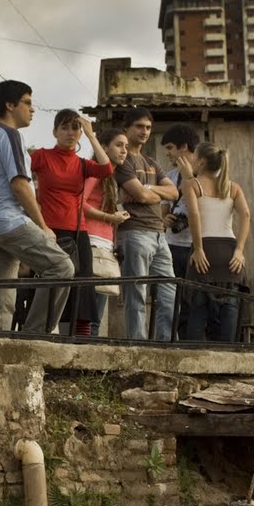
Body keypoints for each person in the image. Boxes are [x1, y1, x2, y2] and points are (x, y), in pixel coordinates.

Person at [0, 80, 74, 333]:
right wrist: (43, 227)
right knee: (61, 266)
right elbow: (20, 184)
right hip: (9, 220)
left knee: (0, 295)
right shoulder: (10, 135)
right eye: (27, 103)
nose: (32, 109)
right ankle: (34, 339)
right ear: (10, 105)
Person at [30, 110, 114, 336]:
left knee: (82, 291)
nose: (70, 133)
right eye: (65, 128)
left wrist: (90, 134)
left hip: (78, 233)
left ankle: (79, 344)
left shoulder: (82, 164)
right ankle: (42, 335)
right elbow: (21, 178)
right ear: (55, 131)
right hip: (49, 230)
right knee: (50, 288)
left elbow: (107, 168)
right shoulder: (42, 156)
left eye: (74, 128)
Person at [114, 108, 180, 342]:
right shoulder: (123, 161)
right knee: (137, 292)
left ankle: (166, 343)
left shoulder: (152, 163)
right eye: (139, 126)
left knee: (169, 290)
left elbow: (173, 192)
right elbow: (139, 197)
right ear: (127, 129)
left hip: (159, 234)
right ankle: (138, 345)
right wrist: (148, 193)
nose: (144, 132)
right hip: (134, 231)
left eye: (148, 127)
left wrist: (149, 189)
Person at [185, 142, 251, 342]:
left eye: (194, 157)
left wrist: (197, 248)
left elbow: (194, 215)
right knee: (229, 308)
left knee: (198, 308)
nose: (192, 161)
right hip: (229, 253)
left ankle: (193, 357)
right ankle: (228, 354)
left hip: (205, 249)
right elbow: (246, 215)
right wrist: (240, 250)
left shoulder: (191, 184)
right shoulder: (233, 187)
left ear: (202, 162)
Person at [82, 128, 131, 338]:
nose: (124, 151)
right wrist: (110, 218)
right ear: (103, 147)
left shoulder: (110, 176)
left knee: (96, 313)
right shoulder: (95, 171)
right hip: (93, 243)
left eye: (126, 147)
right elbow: (79, 204)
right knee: (91, 313)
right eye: (118, 145)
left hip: (104, 244)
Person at [159, 124, 201, 336]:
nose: (167, 153)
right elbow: (164, 208)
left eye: (170, 148)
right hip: (172, 245)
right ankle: (170, 340)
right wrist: (165, 218)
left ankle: (190, 341)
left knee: (194, 299)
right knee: (170, 297)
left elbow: (208, 204)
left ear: (184, 147)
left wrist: (189, 179)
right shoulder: (170, 175)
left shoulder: (206, 171)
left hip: (197, 246)